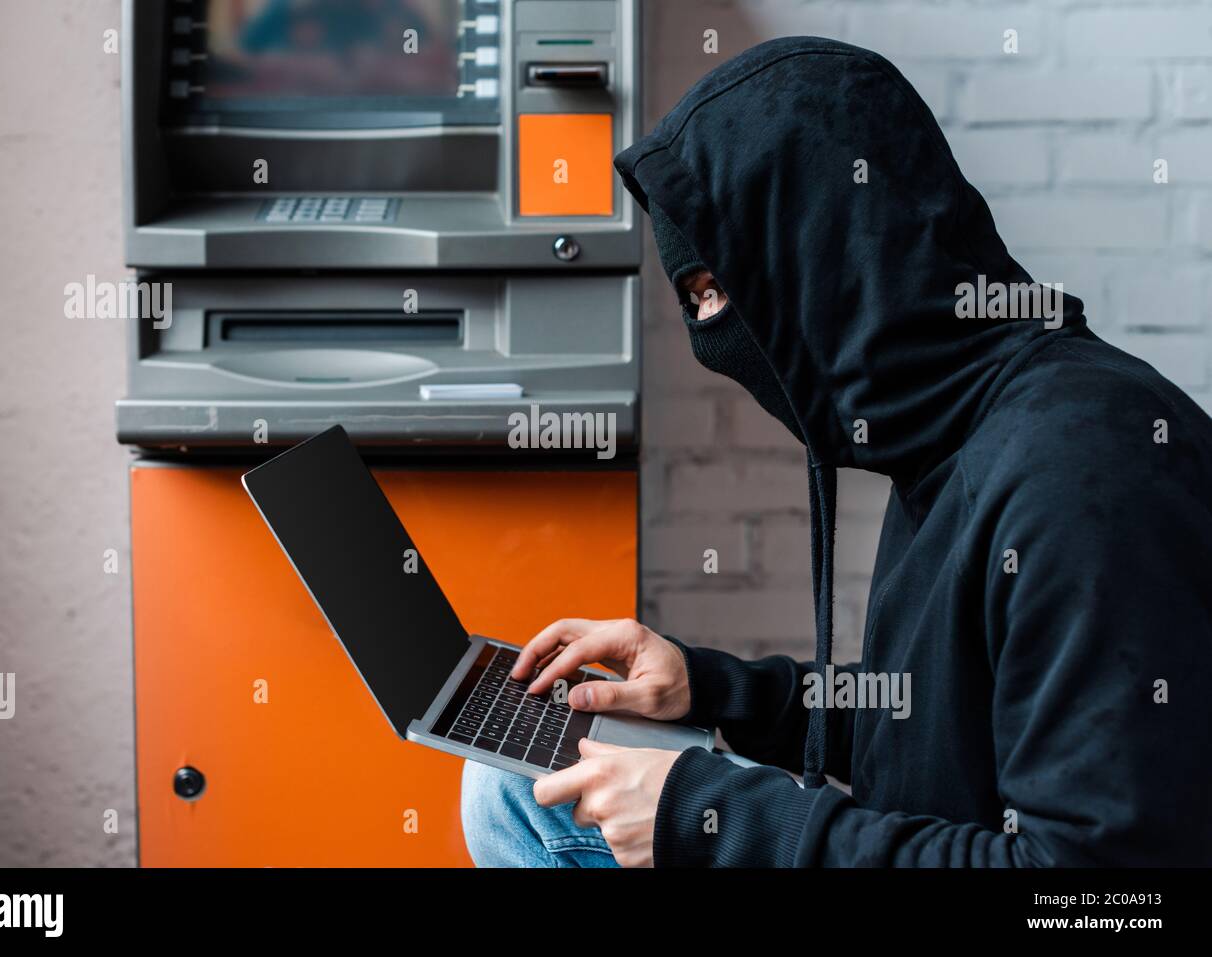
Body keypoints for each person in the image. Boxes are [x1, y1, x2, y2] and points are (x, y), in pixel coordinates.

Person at [461, 37, 1212, 867]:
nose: (714, 327)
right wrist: (713, 691)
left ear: (832, 245)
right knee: (511, 778)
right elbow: (932, 726)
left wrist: (710, 814)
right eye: (696, 297)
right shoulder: (957, 434)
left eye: (719, 288)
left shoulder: (1084, 475)